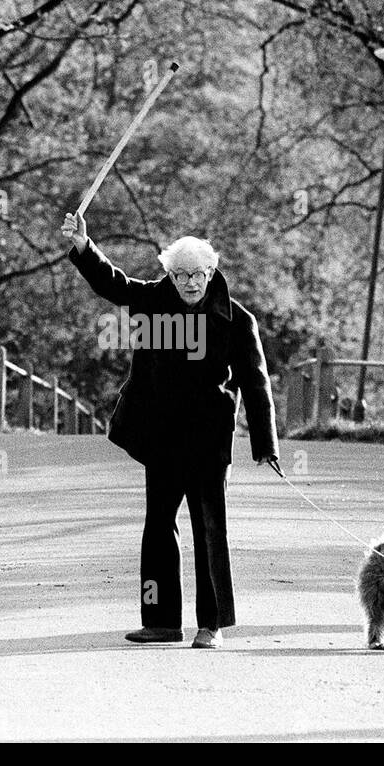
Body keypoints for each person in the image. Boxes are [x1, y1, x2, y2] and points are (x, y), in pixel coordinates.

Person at [61, 211, 280, 649]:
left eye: (197, 274)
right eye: (180, 275)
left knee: (208, 530)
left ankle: (211, 625)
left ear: (211, 271)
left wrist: (265, 445)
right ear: (170, 275)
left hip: (209, 440)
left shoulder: (238, 320)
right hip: (162, 437)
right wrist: (85, 246)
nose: (190, 284)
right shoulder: (154, 300)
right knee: (158, 527)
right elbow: (113, 284)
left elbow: (256, 384)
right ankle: (160, 622)